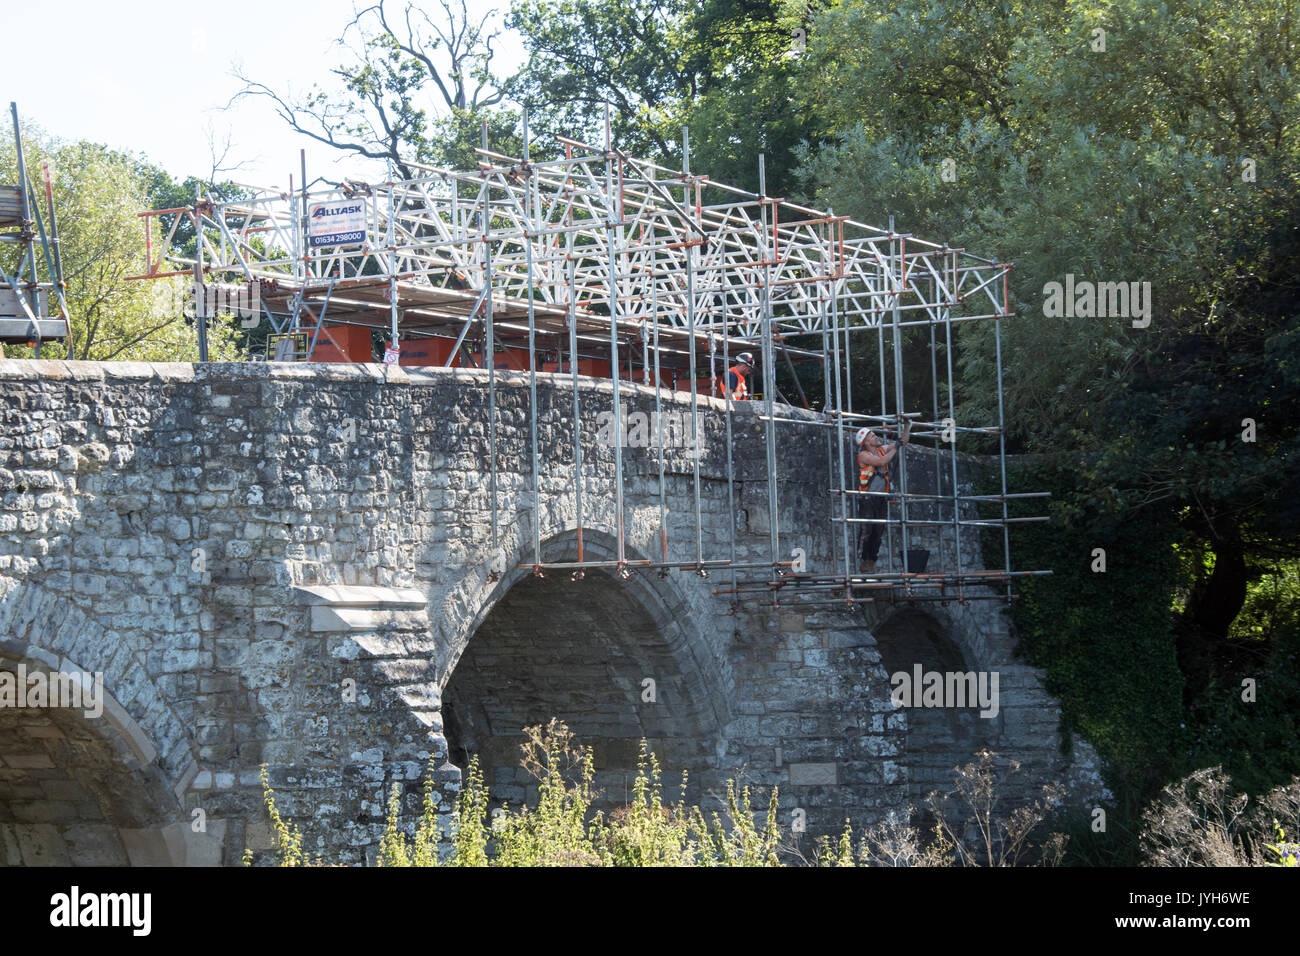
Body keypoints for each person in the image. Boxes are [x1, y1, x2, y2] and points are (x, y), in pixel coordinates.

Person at [855, 423, 910, 574]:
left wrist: (906, 426)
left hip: (881, 498)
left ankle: (871, 562)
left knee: (879, 531)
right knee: (867, 531)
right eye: (872, 436)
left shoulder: (881, 450)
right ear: (866, 442)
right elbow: (882, 462)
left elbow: (903, 442)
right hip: (867, 498)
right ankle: (863, 561)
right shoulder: (863, 455)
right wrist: (896, 447)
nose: (876, 436)